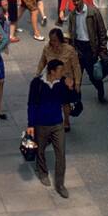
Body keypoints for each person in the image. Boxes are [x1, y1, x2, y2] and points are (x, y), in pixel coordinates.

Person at [26, 58, 73, 198]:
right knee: (40, 150)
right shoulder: (37, 83)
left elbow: (68, 100)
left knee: (61, 154)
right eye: (60, 71)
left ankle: (60, 184)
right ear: (52, 71)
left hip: (57, 123)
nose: (62, 73)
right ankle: (42, 172)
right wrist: (31, 124)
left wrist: (70, 88)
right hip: (41, 123)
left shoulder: (62, 83)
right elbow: (32, 104)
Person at [66, 0, 108, 103]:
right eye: (74, 1)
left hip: (90, 47)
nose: (76, 3)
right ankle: (76, 99)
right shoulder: (72, 15)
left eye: (78, 0)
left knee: (93, 75)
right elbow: (71, 31)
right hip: (78, 47)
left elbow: (101, 30)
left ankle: (100, 90)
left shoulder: (93, 12)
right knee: (76, 75)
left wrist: (103, 48)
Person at [37, 28, 80, 130]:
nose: (53, 42)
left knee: (65, 102)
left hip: (65, 79)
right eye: (51, 40)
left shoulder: (69, 50)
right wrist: (37, 75)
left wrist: (77, 83)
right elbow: (42, 62)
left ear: (60, 40)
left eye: (55, 40)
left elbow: (76, 67)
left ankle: (66, 121)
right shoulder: (47, 48)